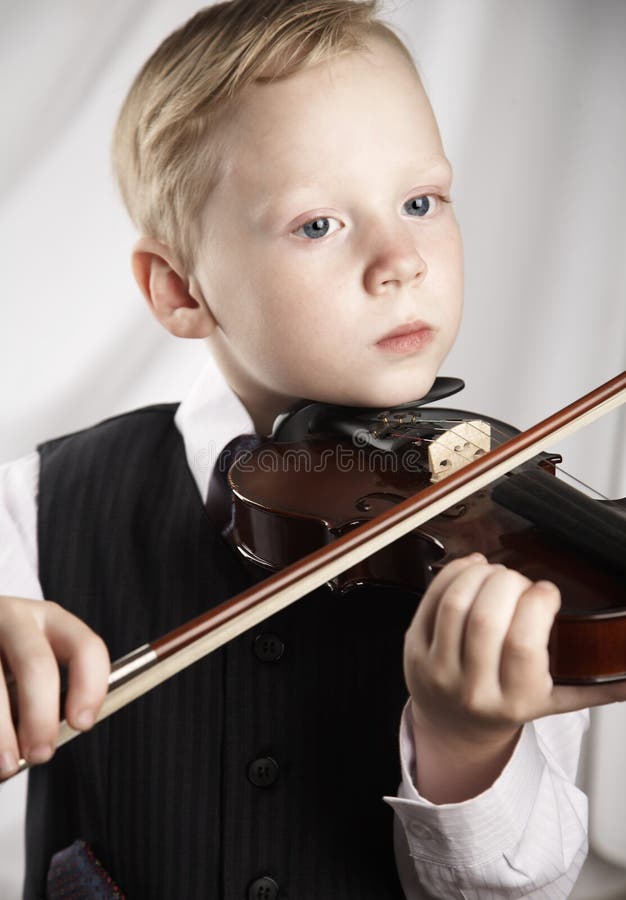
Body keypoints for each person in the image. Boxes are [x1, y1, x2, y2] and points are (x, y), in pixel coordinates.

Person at [0, 1, 624, 897]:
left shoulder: (518, 528)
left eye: (420, 202)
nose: (400, 259)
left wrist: (467, 747)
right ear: (180, 288)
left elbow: (521, 889)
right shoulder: (38, 502)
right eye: (319, 225)